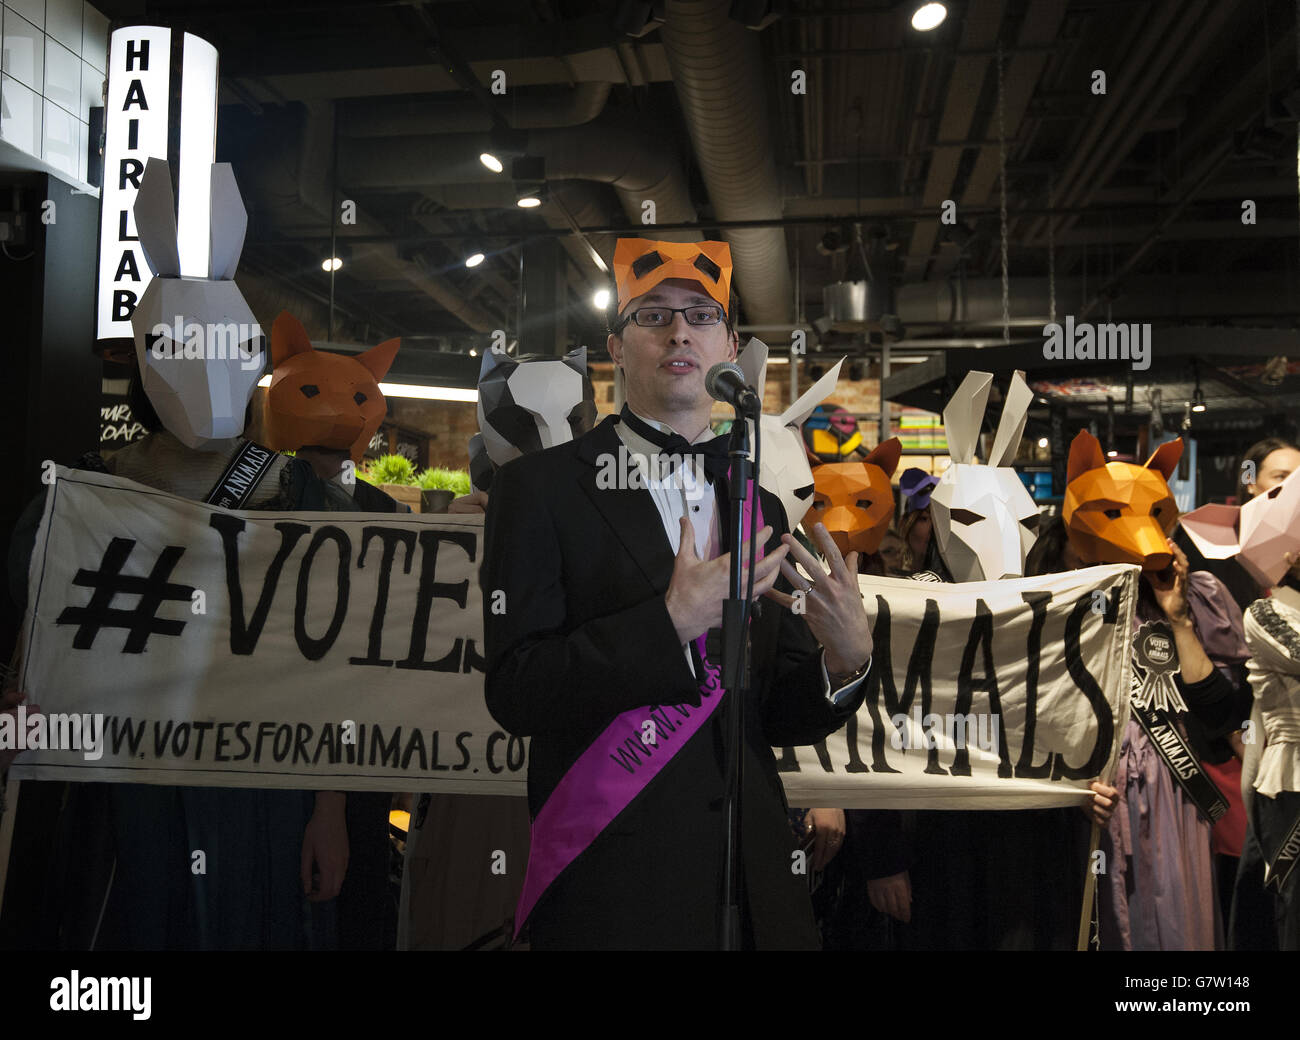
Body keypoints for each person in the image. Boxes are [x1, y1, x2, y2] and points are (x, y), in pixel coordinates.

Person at [481, 238, 872, 950]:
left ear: (728, 346)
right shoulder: (539, 489)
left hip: (754, 883)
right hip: (617, 883)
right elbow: (517, 689)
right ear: (616, 348)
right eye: (652, 315)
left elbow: (773, 713)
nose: (679, 332)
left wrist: (843, 664)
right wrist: (668, 624)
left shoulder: (758, 503)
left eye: (700, 315)